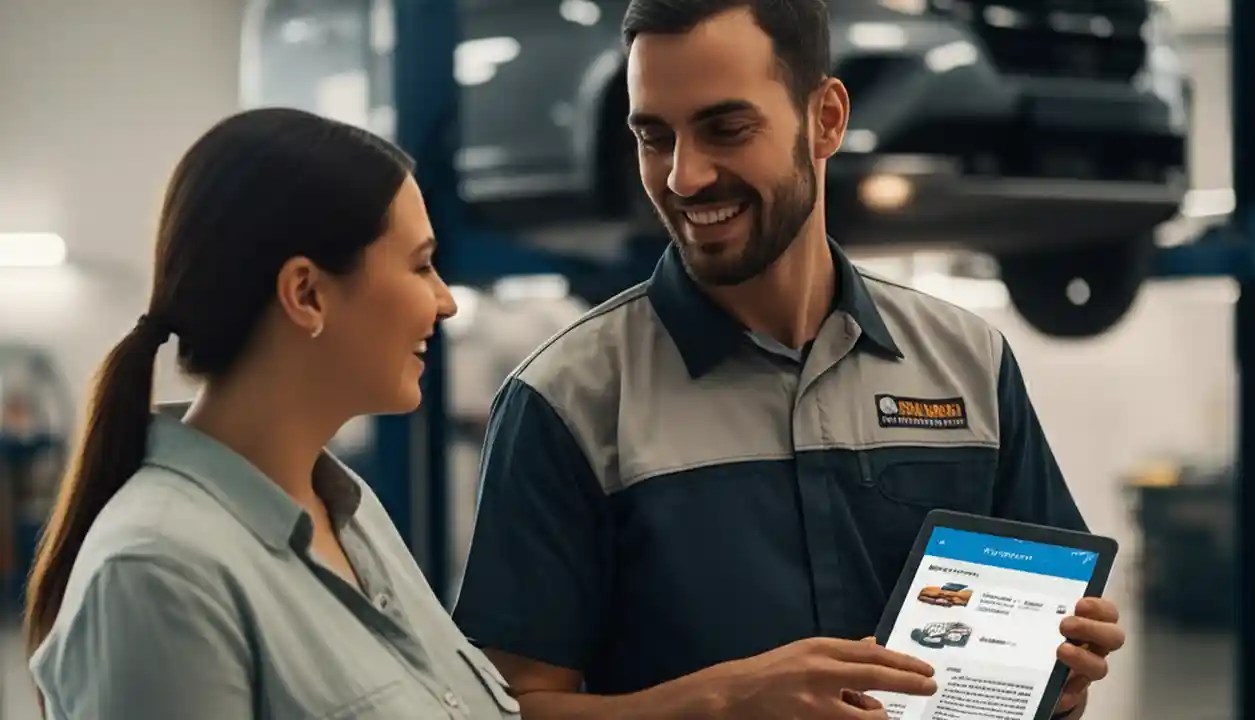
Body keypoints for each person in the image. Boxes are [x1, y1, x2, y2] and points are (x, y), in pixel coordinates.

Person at [451, 2, 1126, 719]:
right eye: (654, 137)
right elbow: (504, 709)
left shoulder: (969, 362)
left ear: (826, 119)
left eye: (726, 129)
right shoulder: (567, 399)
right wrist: (723, 702)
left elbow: (1041, 653)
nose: (683, 177)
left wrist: (1059, 677)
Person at [24, 108, 521, 719]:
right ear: (307, 294)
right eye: (420, 264)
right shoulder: (158, 573)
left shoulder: (350, 511)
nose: (444, 301)